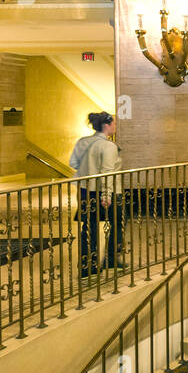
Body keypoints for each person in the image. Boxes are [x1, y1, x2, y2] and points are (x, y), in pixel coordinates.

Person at [70, 111, 124, 277]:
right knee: (117, 222)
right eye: (113, 123)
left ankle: (89, 263)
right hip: (107, 191)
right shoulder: (108, 146)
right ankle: (112, 257)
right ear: (106, 126)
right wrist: (106, 196)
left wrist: (88, 169)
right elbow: (107, 171)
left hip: (84, 188)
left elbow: (73, 163)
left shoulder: (82, 142)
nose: (115, 126)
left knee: (88, 224)